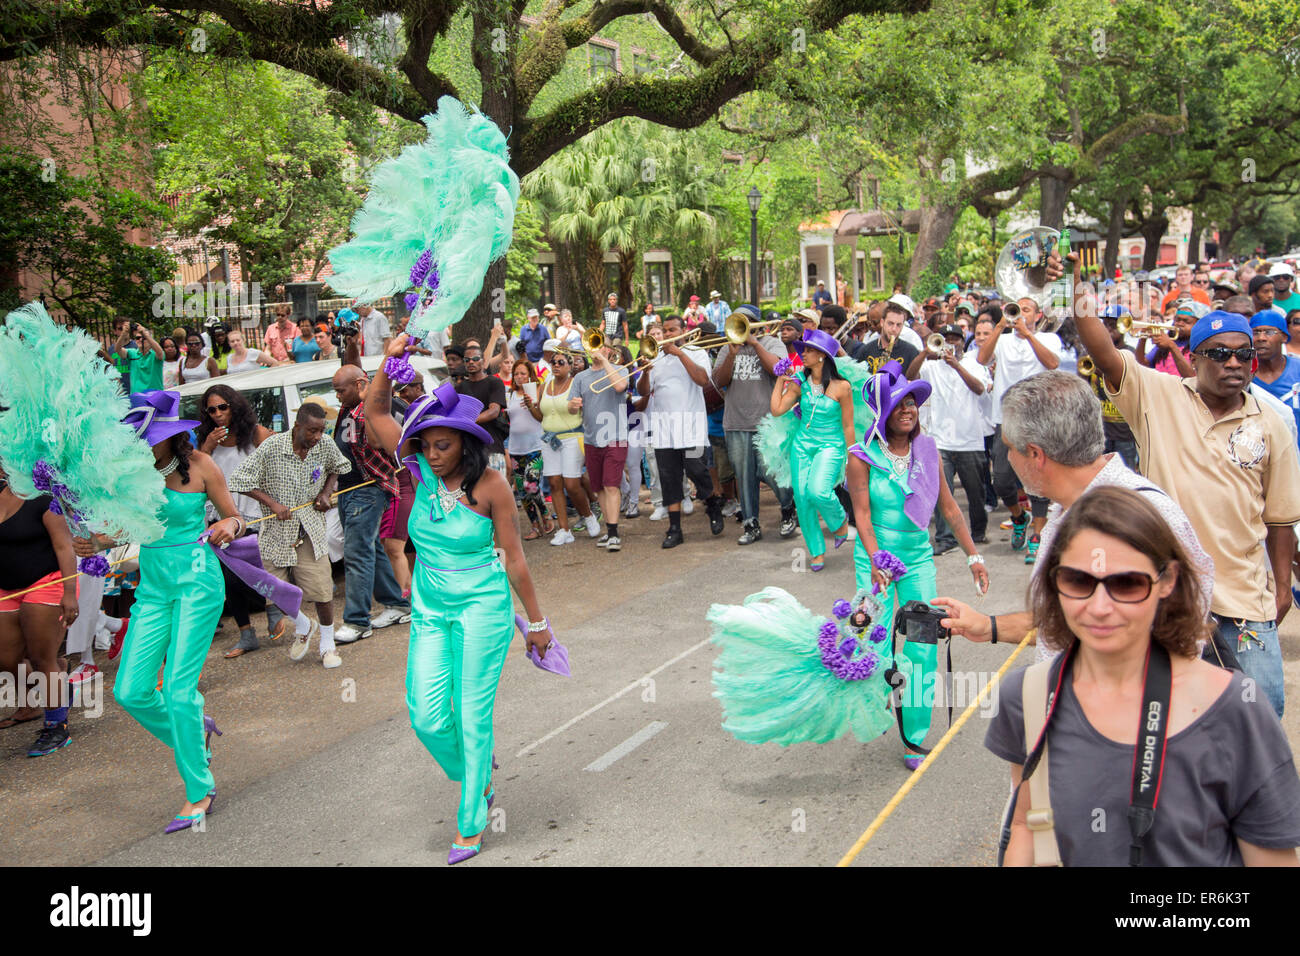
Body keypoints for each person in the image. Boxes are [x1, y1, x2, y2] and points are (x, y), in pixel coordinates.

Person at [985, 486, 1300, 866]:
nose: (1099, 607)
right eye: (1078, 581)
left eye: (1127, 584)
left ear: (1167, 581)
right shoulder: (1029, 697)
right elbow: (1026, 823)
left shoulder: (1235, 707)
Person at [364, 336, 555, 863]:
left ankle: (471, 817)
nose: (430, 453)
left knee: (472, 714)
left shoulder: (493, 485)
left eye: (442, 445)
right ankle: (476, 770)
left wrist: (536, 623)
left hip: (483, 609)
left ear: (466, 445)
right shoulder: (420, 473)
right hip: (430, 608)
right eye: (425, 444)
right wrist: (389, 360)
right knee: (425, 716)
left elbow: (514, 558)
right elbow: (373, 411)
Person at [1075, 288, 1300, 718]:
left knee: (1260, 720)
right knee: (1173, 723)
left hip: (1246, 606)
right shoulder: (1156, 396)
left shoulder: (1271, 423)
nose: (1232, 363)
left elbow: (1281, 521)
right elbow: (1101, 348)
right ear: (1193, 358)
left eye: (1242, 354)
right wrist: (1075, 286)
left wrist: (1283, 590)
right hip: (1168, 601)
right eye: (1218, 353)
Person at [935, 371, 1214, 664]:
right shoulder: (1066, 507)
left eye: (1008, 447)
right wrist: (989, 626)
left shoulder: (1142, 515)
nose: (1006, 458)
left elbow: (1178, 641)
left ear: (1035, 455)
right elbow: (1070, 621)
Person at [72, 390, 244, 832]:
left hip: (197, 583)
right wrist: (95, 541)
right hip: (152, 589)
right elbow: (117, 532)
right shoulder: (128, 479)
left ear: (170, 436)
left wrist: (228, 524)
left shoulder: (203, 467)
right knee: (130, 691)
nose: (141, 442)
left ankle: (199, 789)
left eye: (149, 434)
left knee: (181, 690)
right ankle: (193, 734)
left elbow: (236, 518)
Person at [845, 362, 988, 769]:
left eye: (913, 403)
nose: (908, 409)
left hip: (918, 560)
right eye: (899, 403)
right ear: (882, 410)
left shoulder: (927, 450)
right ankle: (887, 695)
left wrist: (973, 556)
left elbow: (949, 509)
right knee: (872, 642)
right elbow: (862, 516)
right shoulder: (861, 457)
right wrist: (876, 560)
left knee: (924, 647)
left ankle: (914, 736)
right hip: (875, 562)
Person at [227, 403, 351, 668]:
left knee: (320, 590)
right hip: (276, 532)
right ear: (297, 427)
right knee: (277, 593)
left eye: (321, 431)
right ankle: (304, 626)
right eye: (312, 431)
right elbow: (238, 480)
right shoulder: (272, 447)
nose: (317, 436)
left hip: (310, 528)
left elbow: (338, 467)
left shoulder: (325, 445)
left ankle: (328, 646)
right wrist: (271, 503)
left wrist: (326, 493)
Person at [0, 463, 79, 755]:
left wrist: (70, 593)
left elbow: (64, 547)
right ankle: (59, 678)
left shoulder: (45, 498)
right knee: (6, 661)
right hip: (7, 589)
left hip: (48, 582)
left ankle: (56, 727)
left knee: (41, 657)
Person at [330, 365, 412, 644]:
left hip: (367, 488)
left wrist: (367, 396)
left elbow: (380, 443)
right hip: (347, 489)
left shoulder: (369, 408)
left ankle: (357, 621)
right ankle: (397, 604)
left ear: (360, 384)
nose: (338, 396)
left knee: (356, 553)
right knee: (371, 549)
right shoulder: (348, 408)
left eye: (341, 391)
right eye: (336, 391)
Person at [977, 295, 1062, 561]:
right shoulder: (1002, 339)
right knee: (1001, 478)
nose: (1020, 313)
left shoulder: (1049, 338)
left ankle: (1038, 533)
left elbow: (1052, 364)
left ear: (1037, 315)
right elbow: (982, 358)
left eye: (1027, 310)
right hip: (1007, 416)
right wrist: (1001, 325)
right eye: (1017, 309)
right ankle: (1018, 517)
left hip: (1037, 416)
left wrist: (1028, 335)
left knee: (1036, 476)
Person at [196, 384, 277, 658]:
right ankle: (246, 633)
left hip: (253, 512)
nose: (218, 414)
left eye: (223, 407)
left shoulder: (254, 433)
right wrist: (206, 446)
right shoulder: (206, 441)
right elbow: (193, 474)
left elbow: (278, 461)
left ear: (234, 406)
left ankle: (273, 607)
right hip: (221, 517)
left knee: (258, 570)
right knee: (229, 578)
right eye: (212, 410)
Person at [768, 329, 855, 571]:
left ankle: (839, 522)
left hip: (831, 446)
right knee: (803, 500)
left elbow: (848, 425)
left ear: (822, 356)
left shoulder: (842, 387)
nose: (802, 354)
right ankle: (816, 551)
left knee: (818, 491)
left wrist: (851, 458)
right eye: (802, 350)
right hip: (802, 446)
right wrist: (780, 382)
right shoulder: (800, 384)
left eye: (808, 350)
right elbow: (776, 410)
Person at [712, 307, 795, 543]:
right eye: (738, 322)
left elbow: (780, 369)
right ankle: (750, 524)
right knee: (744, 476)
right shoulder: (727, 348)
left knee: (771, 471)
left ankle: (788, 508)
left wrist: (755, 344)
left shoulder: (771, 343)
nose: (741, 326)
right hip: (736, 421)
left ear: (756, 324)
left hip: (766, 420)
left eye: (746, 322)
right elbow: (719, 381)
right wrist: (731, 354)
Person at [641, 315, 723, 548]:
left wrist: (679, 353)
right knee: (669, 479)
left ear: (683, 330)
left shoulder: (696, 352)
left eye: (672, 330)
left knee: (698, 471)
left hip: (691, 428)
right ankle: (674, 528)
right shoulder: (655, 357)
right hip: (663, 430)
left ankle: (713, 504)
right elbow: (644, 391)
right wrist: (645, 372)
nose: (667, 334)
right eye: (665, 331)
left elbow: (702, 380)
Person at [920, 324, 992, 554]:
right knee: (942, 491)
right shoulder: (931, 366)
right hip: (940, 440)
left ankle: (978, 530)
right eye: (946, 339)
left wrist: (957, 365)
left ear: (963, 342)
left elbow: (979, 389)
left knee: (975, 491)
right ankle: (945, 538)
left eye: (955, 339)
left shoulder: (973, 363)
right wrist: (924, 352)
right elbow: (910, 375)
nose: (951, 343)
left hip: (969, 439)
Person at [534, 348, 598, 545]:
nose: (556, 365)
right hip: (549, 439)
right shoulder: (544, 386)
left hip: (572, 437)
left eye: (561, 362)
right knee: (554, 483)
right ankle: (564, 529)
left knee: (571, 483)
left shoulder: (576, 384)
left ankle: (588, 515)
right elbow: (541, 417)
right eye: (553, 362)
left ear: (570, 366)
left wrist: (577, 407)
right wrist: (530, 406)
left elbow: (588, 411)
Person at [571, 344, 631, 551]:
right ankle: (609, 529)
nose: (596, 350)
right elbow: (572, 408)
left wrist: (605, 362)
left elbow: (620, 387)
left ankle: (614, 534)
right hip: (591, 438)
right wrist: (572, 406)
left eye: (600, 346)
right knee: (598, 488)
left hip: (616, 436)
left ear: (608, 350)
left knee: (611, 485)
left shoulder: (620, 369)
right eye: (592, 345)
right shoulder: (580, 377)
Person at [1080, 308, 1138, 469]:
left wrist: (1104, 372)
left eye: (1113, 324)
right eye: (1105, 324)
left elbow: (1130, 385)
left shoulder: (1129, 353)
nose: (1108, 328)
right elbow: (1082, 385)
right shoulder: (1090, 353)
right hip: (1099, 429)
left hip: (1124, 430)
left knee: (1126, 477)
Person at [505, 359, 552, 540]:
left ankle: (545, 512)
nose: (519, 377)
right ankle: (535, 525)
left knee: (530, 485)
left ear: (530, 375)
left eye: (523, 373)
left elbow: (541, 418)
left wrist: (531, 404)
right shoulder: (509, 394)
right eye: (516, 374)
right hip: (516, 448)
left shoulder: (537, 390)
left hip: (535, 447)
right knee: (522, 491)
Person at [455, 345, 510, 475]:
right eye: (467, 360)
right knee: (470, 493)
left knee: (495, 491)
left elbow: (493, 412)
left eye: (475, 358)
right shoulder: (459, 388)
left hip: (492, 447)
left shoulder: (494, 382)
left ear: (483, 361)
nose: (471, 362)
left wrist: (467, 422)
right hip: (469, 450)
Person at [1251, 309, 1300, 442]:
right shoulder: (1243, 375)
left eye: (1269, 332)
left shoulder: (1298, 370)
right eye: (1256, 332)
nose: (1261, 338)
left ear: (1284, 337)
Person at [860, 301, 922, 376]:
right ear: (882, 322)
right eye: (890, 323)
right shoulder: (866, 350)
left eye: (898, 325)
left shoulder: (911, 351)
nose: (894, 329)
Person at [113, 322, 165, 394]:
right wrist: (123, 334)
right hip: (137, 396)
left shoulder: (155, 354)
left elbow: (160, 352)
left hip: (155, 396)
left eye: (144, 338)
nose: (141, 339)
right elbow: (117, 349)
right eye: (138, 338)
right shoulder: (132, 353)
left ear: (150, 339)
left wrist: (145, 333)